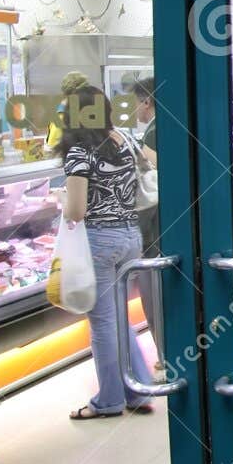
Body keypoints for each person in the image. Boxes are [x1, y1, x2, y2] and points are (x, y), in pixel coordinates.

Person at [62, 85, 154, 420]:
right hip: (131, 235)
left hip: (99, 241)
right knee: (118, 317)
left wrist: (60, 201)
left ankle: (110, 400)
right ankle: (138, 389)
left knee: (103, 323)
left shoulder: (78, 151)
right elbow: (149, 168)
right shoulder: (124, 139)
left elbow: (76, 210)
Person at [129, 77, 164, 365]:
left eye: (135, 103)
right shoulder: (169, 125)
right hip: (165, 224)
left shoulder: (152, 134)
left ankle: (165, 355)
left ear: (147, 101)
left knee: (153, 292)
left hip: (154, 225)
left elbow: (155, 169)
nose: (134, 109)